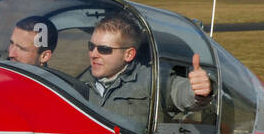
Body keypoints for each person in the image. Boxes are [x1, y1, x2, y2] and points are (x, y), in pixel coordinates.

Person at [77, 15, 212, 125]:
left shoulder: (152, 79)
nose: (93, 54)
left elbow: (180, 93)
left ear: (128, 54)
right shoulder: (81, 81)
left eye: (104, 49)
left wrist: (199, 92)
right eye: (91, 46)